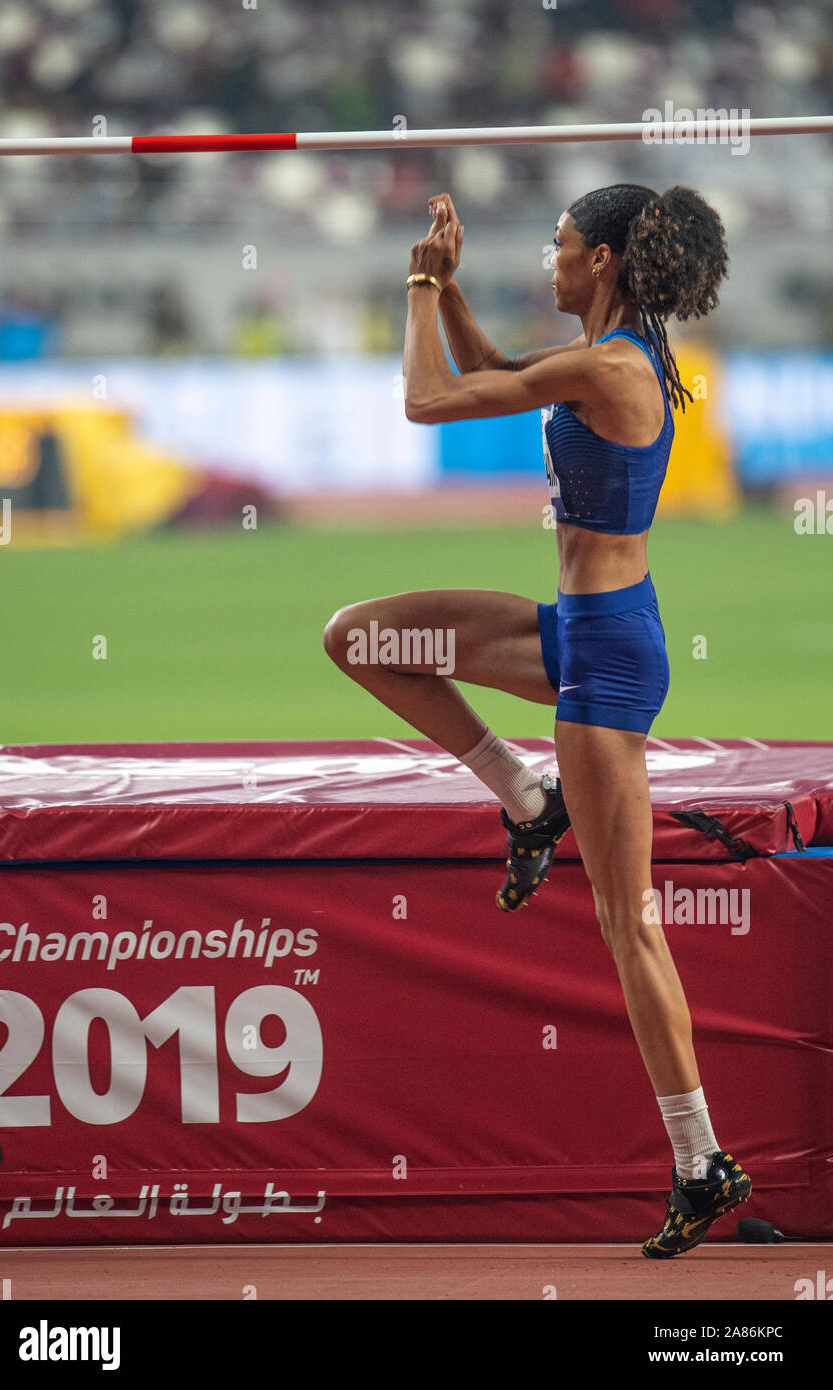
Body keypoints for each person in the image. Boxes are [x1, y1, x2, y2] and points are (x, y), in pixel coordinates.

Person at [323, 184, 751, 1257]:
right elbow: (495, 373)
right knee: (363, 638)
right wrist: (454, 292)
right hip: (575, 623)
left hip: (605, 659)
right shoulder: (603, 349)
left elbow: (429, 399)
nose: (549, 261)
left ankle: (700, 1161)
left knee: (627, 922)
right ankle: (527, 794)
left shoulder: (610, 368)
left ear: (603, 259)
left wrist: (420, 285)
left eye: (560, 247)